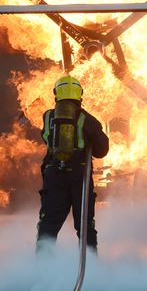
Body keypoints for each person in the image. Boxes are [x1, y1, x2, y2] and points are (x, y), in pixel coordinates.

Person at [36, 74, 109, 253]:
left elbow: (46, 138)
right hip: (79, 176)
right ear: (79, 94)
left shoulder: (47, 117)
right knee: (85, 225)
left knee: (48, 224)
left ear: (56, 93)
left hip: (54, 175)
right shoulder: (87, 119)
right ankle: (90, 267)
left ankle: (41, 268)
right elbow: (102, 151)